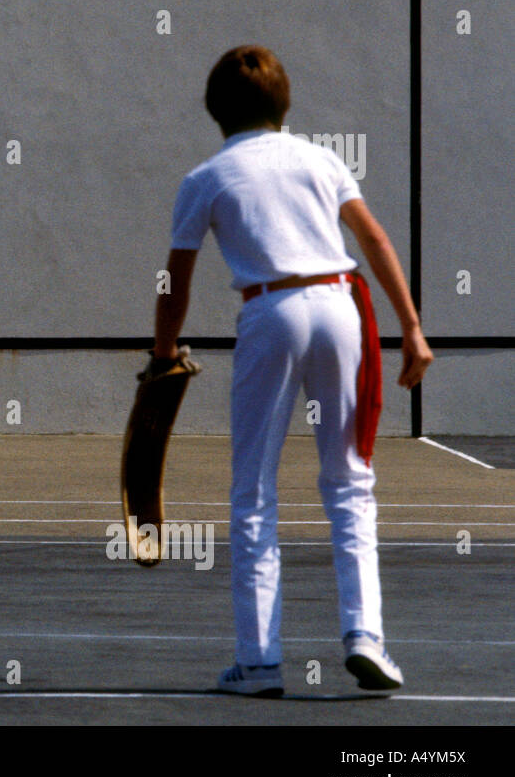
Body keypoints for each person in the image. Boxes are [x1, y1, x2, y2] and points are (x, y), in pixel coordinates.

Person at [153, 45, 433, 695]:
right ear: (286, 103)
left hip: (268, 309)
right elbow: (375, 241)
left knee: (253, 491)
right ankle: (367, 639)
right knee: (349, 481)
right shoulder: (322, 159)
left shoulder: (206, 177)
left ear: (215, 110)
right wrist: (412, 329)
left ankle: (258, 662)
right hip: (341, 304)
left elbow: (175, 280)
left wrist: (163, 353)